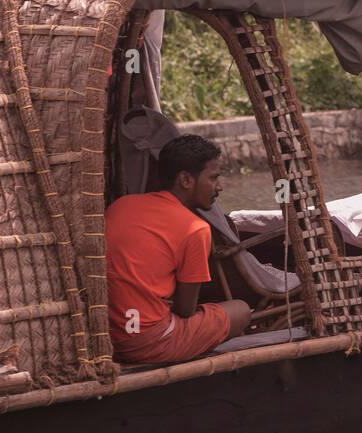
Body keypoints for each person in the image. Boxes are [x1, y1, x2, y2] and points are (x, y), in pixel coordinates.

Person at [105, 134, 252, 364]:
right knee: (241, 310)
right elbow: (185, 309)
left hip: (105, 337)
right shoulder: (195, 228)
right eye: (213, 178)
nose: (219, 187)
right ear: (185, 180)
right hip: (145, 344)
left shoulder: (120, 206)